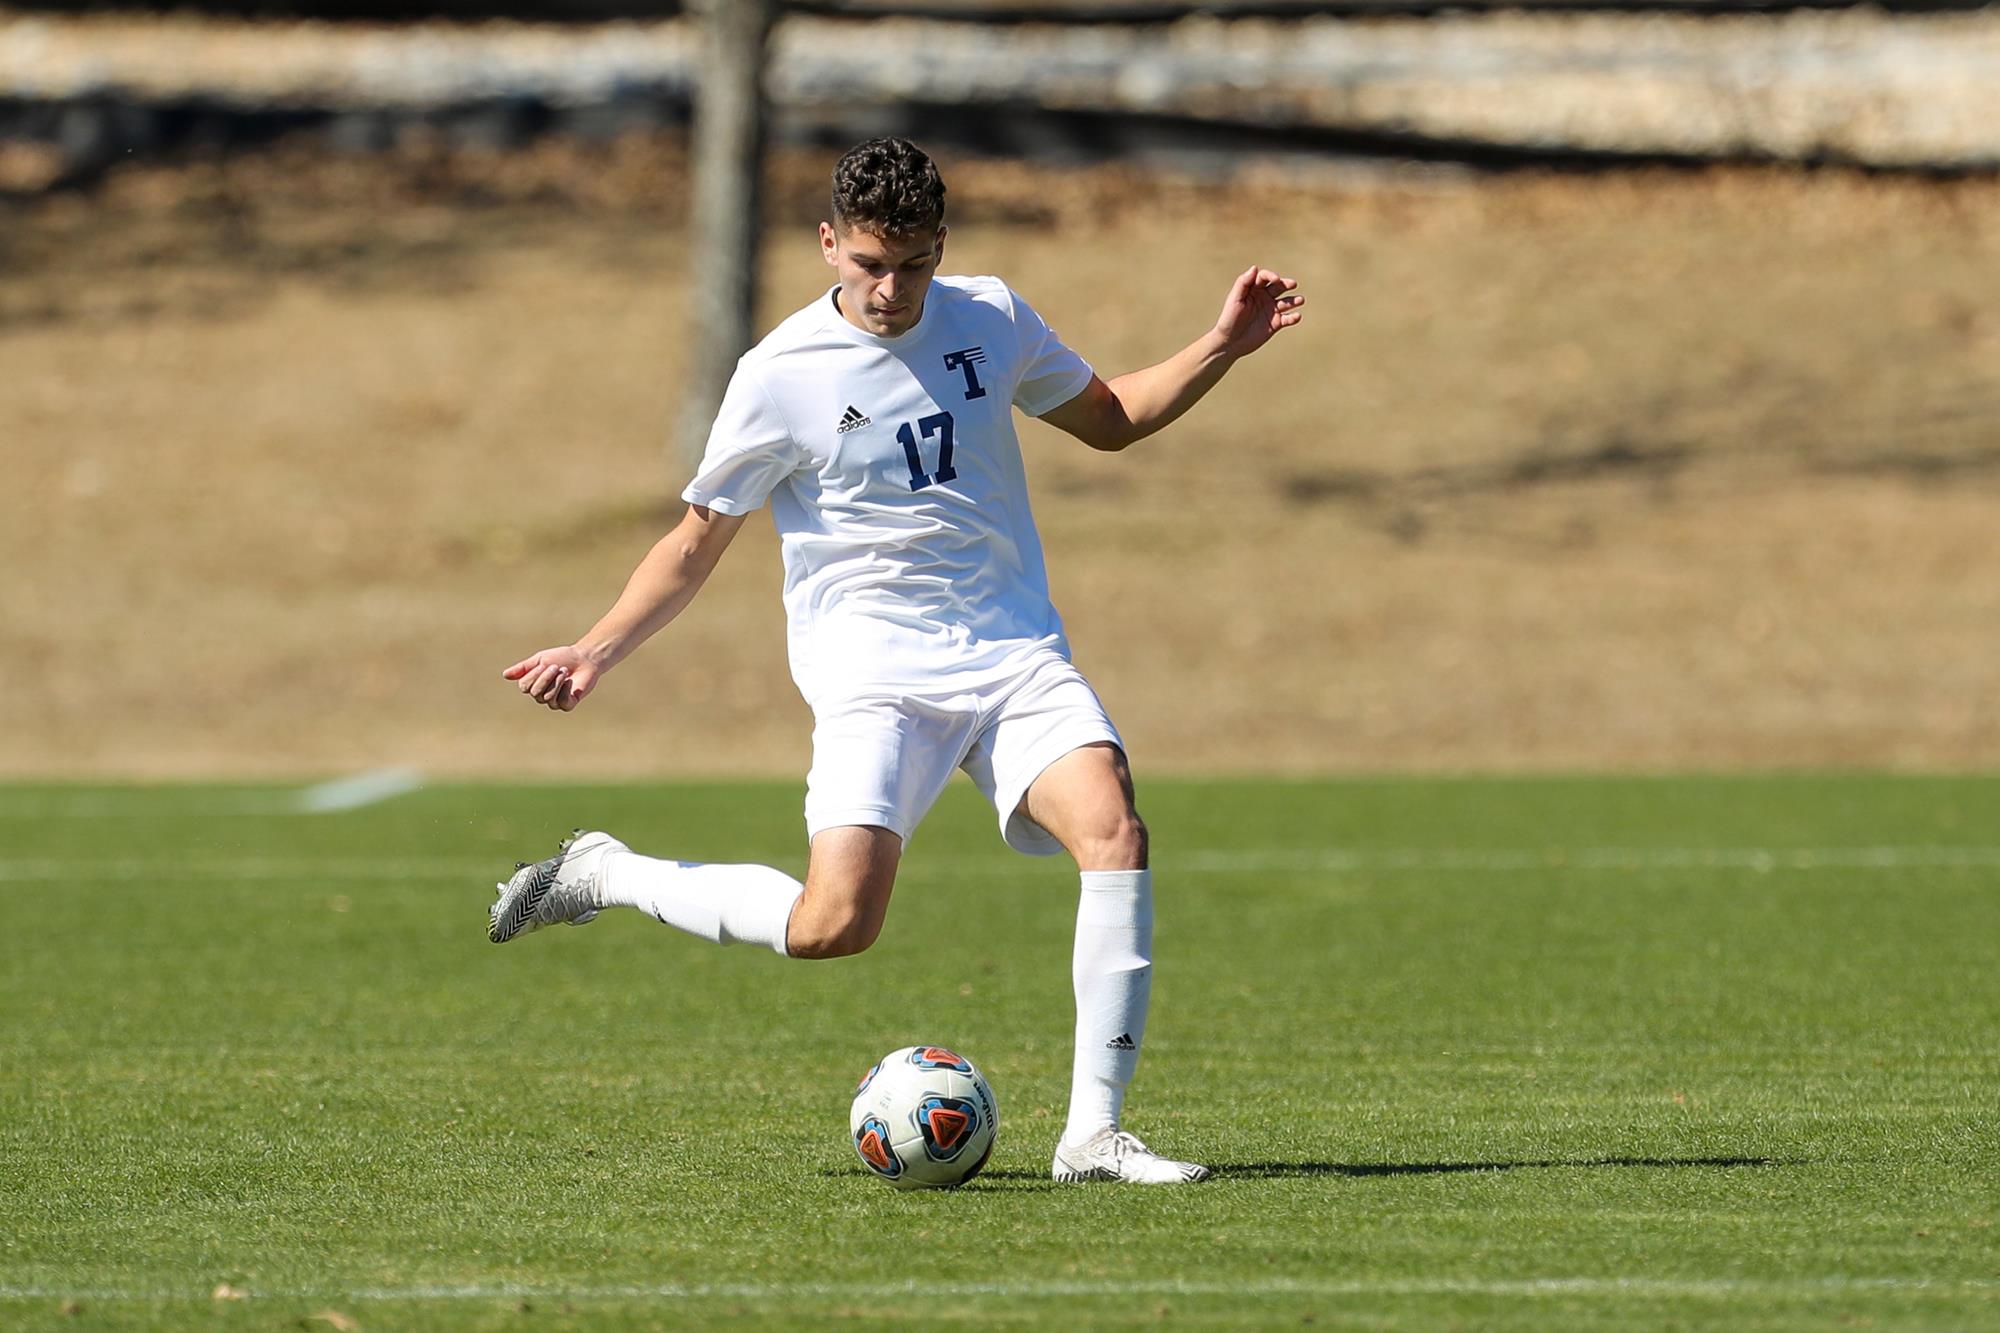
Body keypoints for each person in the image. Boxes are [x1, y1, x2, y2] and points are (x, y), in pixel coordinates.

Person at [492, 138, 1303, 1185]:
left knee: (1113, 828)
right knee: (833, 925)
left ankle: (1091, 1135)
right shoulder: (777, 376)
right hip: (873, 672)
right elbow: (693, 542)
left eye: (912, 265)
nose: (889, 289)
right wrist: (594, 647)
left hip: (1010, 650)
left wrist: (1221, 344)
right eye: (869, 263)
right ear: (829, 244)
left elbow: (1110, 420)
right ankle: (606, 870)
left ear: (940, 250)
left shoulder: (992, 318)